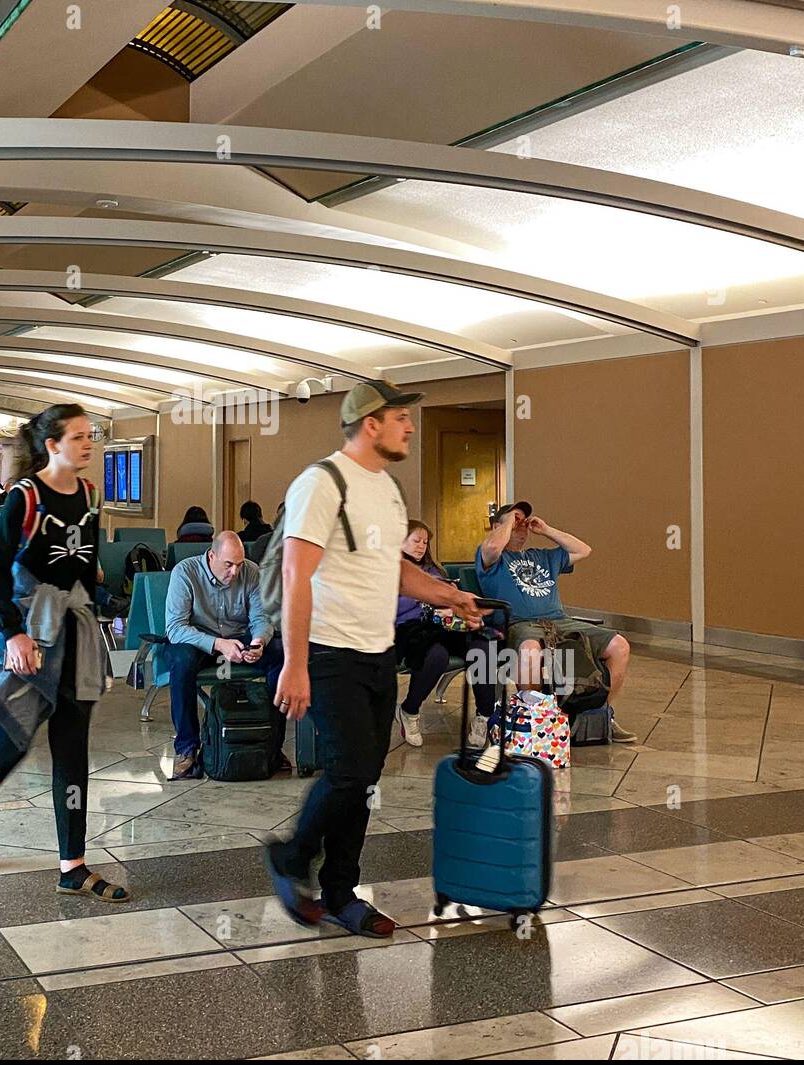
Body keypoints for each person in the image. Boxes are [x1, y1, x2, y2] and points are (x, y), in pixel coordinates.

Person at [266, 381, 486, 937]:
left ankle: (342, 892)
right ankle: (292, 859)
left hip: (376, 652)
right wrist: (294, 662)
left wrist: (448, 594)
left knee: (364, 778)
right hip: (326, 651)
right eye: (401, 418)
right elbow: (296, 575)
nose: (410, 427)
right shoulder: (321, 483)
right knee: (349, 770)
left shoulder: (387, 488)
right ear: (371, 424)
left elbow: (392, 567)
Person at [0, 402, 129, 902]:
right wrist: (12, 634)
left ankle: (73, 865)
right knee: (15, 740)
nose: (90, 444)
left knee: (73, 749)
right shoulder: (25, 498)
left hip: (74, 633)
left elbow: (83, 565)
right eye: (79, 437)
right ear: (52, 444)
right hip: (29, 629)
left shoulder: (89, 494)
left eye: (92, 435)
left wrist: (103, 600)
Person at [477, 502, 636, 742]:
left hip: (559, 622)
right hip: (521, 624)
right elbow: (491, 546)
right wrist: (509, 521)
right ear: (499, 526)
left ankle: (599, 716)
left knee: (619, 645)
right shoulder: (493, 559)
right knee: (530, 651)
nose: (521, 528)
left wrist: (547, 530)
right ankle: (534, 721)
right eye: (515, 523)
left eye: (523, 524)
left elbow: (584, 550)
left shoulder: (542, 556)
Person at [164, 530, 287, 780]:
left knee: (279, 653)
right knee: (181, 661)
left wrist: (258, 641)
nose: (235, 572)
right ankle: (187, 749)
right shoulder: (185, 573)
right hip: (199, 641)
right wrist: (219, 644)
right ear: (211, 556)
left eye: (239, 565)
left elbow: (261, 618)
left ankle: (272, 744)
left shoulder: (251, 572)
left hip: (239, 638)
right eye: (228, 565)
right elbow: (175, 628)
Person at [394, 520, 490, 749]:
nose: (421, 546)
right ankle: (409, 710)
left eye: (425, 542)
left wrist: (451, 603)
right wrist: (427, 596)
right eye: (416, 540)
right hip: (408, 628)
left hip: (442, 625)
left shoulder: (435, 571)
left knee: (482, 646)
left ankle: (485, 716)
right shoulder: (394, 571)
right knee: (436, 656)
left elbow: (450, 598)